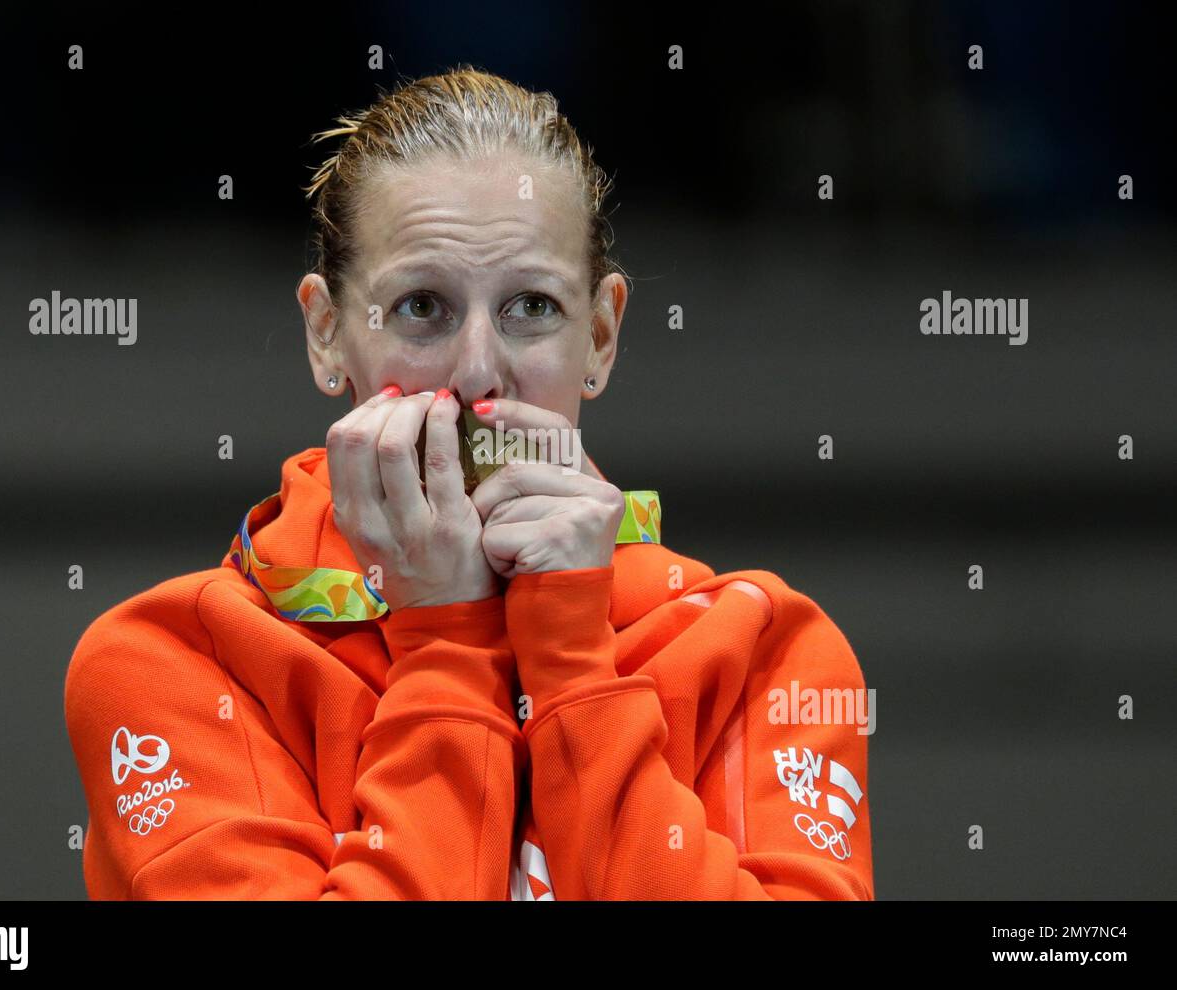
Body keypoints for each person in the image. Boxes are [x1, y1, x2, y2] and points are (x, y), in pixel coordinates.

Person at [64, 65, 875, 900]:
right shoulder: (177, 662)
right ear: (326, 334)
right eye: (422, 307)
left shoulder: (765, 653)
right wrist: (448, 641)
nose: (479, 373)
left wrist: (573, 668)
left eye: (531, 307)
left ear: (600, 336)